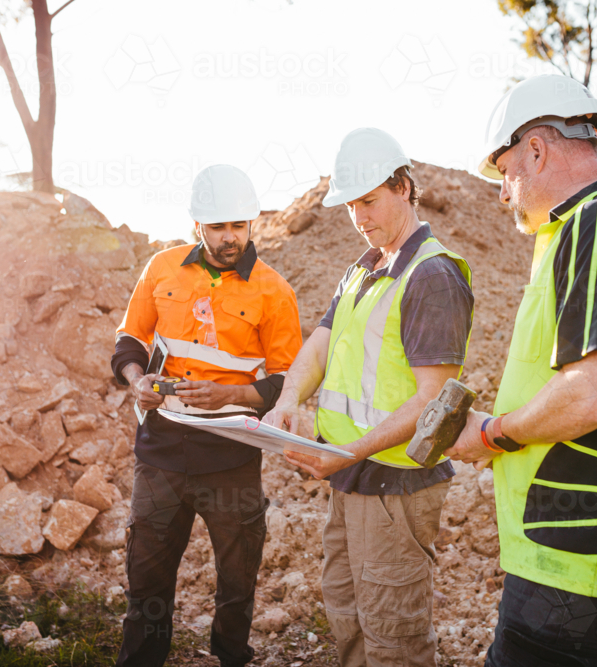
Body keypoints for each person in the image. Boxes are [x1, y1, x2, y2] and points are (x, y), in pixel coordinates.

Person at [444, 74, 597, 667]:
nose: (503, 193)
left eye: (504, 171)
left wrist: (490, 434)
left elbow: (591, 393)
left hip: (578, 546)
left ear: (536, 149)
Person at [263, 127, 474, 667]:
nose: (359, 216)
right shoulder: (363, 268)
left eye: (369, 200)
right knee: (349, 615)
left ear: (404, 187)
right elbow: (319, 346)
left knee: (394, 637)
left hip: (396, 487)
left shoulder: (433, 276)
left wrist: (347, 453)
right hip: (350, 478)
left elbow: (432, 402)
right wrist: (288, 398)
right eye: (351, 204)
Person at [111, 164, 302, 667]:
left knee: (237, 585)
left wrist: (228, 395)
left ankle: (231, 656)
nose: (229, 237)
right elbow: (128, 341)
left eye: (238, 226)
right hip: (161, 455)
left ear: (251, 223)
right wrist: (137, 380)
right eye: (218, 227)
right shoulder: (161, 269)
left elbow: (287, 383)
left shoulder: (274, 291)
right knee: (147, 585)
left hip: (232, 460)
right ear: (198, 225)